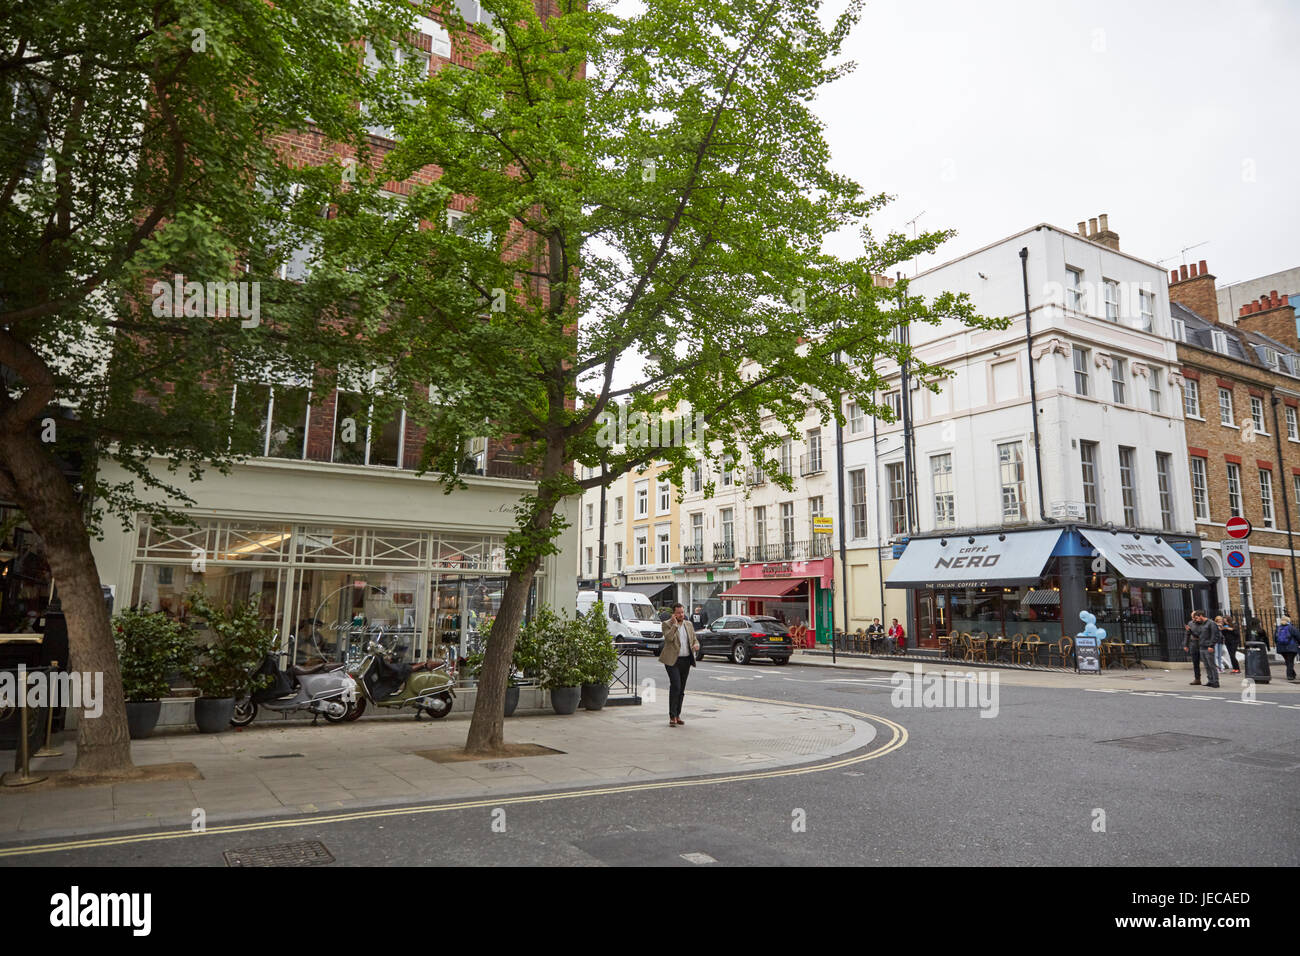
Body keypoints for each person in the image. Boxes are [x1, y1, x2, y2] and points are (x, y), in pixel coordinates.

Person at [659, 603, 700, 727]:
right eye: (678, 613)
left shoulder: (689, 624)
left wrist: (697, 644)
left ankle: (677, 715)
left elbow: (694, 639)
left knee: (681, 689)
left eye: (682, 612)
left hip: (686, 660)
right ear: (673, 614)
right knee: (675, 686)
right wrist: (675, 625)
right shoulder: (667, 624)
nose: (681, 615)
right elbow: (668, 638)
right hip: (672, 660)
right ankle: (672, 716)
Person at [1183, 610, 1220, 688]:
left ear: (1201, 616)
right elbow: (1198, 636)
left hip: (1208, 647)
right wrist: (1190, 631)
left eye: (1196, 618)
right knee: (1206, 665)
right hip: (1201, 647)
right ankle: (1210, 681)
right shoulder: (1201, 624)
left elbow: (1215, 635)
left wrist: (1211, 645)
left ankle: (1216, 682)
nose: (1195, 620)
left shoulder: (1211, 623)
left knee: (1211, 665)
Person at [1275, 615, 1298, 681]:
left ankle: (1293, 673)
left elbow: (1275, 639)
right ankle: (1290, 676)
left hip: (1281, 648)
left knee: (1288, 661)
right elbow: (1298, 636)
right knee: (1290, 662)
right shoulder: (1292, 628)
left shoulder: (1278, 628)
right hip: (1291, 647)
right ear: (1288, 620)